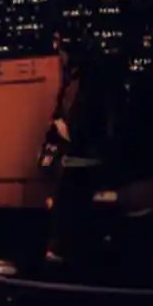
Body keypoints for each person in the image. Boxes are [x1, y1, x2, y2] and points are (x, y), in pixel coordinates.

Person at [44, 34, 120, 268]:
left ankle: (66, 256)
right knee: (77, 209)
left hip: (82, 157)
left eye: (62, 52)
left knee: (70, 208)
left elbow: (82, 122)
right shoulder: (81, 80)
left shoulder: (84, 83)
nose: (60, 58)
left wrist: (63, 129)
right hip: (82, 157)